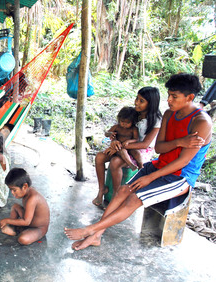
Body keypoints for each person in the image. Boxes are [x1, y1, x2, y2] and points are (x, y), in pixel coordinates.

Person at [65, 73, 212, 251]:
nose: (169, 100)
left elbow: (183, 161)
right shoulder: (168, 114)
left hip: (179, 176)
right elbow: (159, 148)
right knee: (122, 191)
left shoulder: (201, 122)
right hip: (159, 165)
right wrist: (180, 142)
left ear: (190, 97)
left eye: (174, 96)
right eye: (169, 95)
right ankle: (96, 235)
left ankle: (90, 230)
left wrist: (151, 178)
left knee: (134, 198)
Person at [92, 86, 162, 207]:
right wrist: (114, 141)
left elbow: (145, 144)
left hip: (140, 150)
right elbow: (119, 129)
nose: (136, 102)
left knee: (115, 162)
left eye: (141, 101)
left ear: (151, 104)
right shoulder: (134, 114)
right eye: (137, 99)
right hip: (123, 146)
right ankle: (101, 189)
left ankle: (115, 196)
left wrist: (121, 146)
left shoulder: (155, 121)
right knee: (99, 157)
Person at [0, 168, 50, 245]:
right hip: (29, 221)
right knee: (15, 206)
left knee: (23, 239)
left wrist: (6, 220)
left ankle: (17, 231)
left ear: (24, 186)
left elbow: (26, 222)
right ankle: (14, 228)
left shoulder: (32, 198)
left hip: (39, 228)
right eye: (11, 190)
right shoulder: (27, 191)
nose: (12, 193)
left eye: (14, 190)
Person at [102, 106, 143, 171]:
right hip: (118, 148)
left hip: (130, 147)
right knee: (123, 151)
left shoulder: (133, 129)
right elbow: (106, 133)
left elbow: (136, 139)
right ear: (119, 119)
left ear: (132, 122)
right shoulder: (116, 127)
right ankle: (131, 165)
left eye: (127, 122)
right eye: (122, 121)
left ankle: (141, 166)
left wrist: (128, 141)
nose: (124, 124)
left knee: (137, 153)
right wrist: (110, 134)